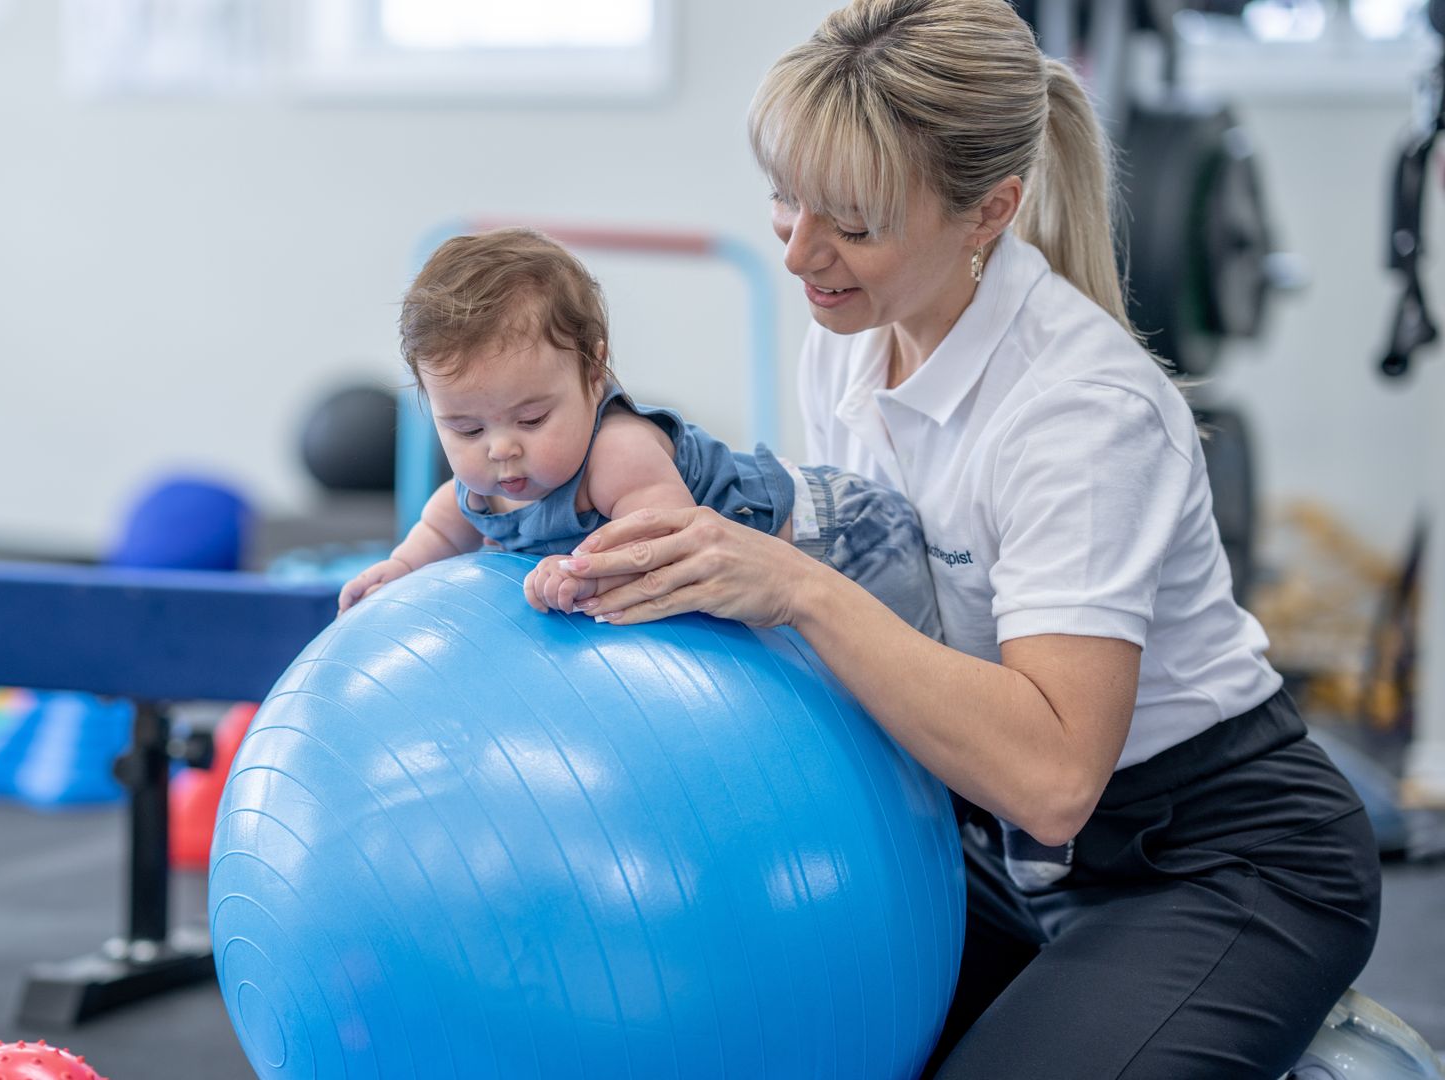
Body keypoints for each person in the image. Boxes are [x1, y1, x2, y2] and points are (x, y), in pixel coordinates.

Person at [549, 1, 1382, 1077]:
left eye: (851, 220)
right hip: (1000, 848)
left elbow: (1050, 777)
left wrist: (793, 585)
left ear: (988, 210)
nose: (802, 250)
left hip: (1217, 859)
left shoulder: (1078, 411)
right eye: (786, 199)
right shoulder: (847, 343)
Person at [336, 226, 939, 639]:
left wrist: (581, 572)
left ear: (594, 370)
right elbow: (443, 529)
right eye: (465, 427)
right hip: (790, 578)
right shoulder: (480, 489)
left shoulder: (617, 454)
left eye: (531, 419)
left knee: (898, 705)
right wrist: (399, 571)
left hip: (845, 539)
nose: (501, 448)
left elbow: (668, 549)